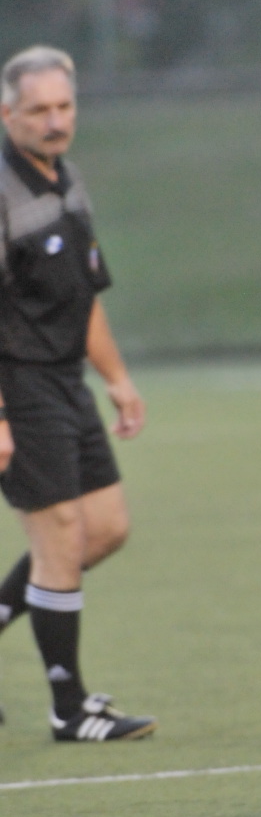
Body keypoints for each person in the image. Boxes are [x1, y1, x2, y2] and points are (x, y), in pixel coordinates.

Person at [0, 45, 155, 741]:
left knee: (105, 528)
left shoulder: (66, 179)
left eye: (64, 106)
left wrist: (117, 379)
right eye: (39, 110)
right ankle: (71, 708)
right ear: (8, 114)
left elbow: (84, 296)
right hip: (17, 383)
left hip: (66, 381)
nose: (55, 120)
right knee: (60, 535)